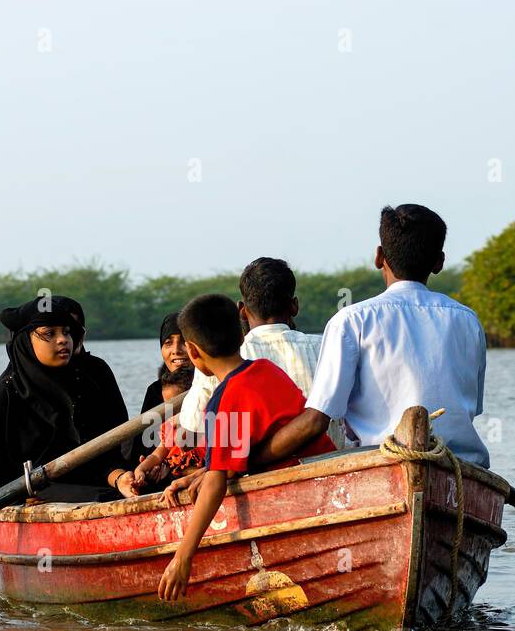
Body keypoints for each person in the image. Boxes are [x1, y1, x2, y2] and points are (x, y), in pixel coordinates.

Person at [256, 204, 490, 469]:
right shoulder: (468, 320)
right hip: (461, 467)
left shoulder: (351, 321)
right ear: (439, 262)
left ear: (379, 257)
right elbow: (472, 410)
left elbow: (315, 421)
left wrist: (245, 461)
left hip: (380, 466)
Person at [0, 296, 139, 599]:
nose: (62, 341)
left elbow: (118, 440)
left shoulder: (92, 375)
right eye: (49, 334)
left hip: (106, 479)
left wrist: (125, 475)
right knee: (104, 498)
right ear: (25, 341)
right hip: (35, 492)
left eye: (66, 332)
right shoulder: (2, 401)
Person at [157, 294, 334, 601]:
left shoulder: (224, 400)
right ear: (242, 336)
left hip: (299, 488)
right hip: (325, 477)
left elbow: (215, 483)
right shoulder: (266, 369)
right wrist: (199, 474)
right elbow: (227, 464)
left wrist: (183, 557)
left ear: (194, 353)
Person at [177, 257, 349, 450]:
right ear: (294, 306)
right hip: (330, 463)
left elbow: (189, 434)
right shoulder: (328, 347)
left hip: (257, 475)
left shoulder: (221, 355)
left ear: (242, 311)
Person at [128, 312, 189, 465]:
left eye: (184, 341)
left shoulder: (213, 385)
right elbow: (146, 445)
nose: (176, 350)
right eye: (168, 343)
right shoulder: (155, 391)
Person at [132, 363, 200, 490]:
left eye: (177, 407)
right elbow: (157, 455)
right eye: (168, 407)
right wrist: (141, 469)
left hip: (200, 480)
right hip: (174, 483)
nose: (172, 413)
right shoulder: (169, 426)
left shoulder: (202, 425)